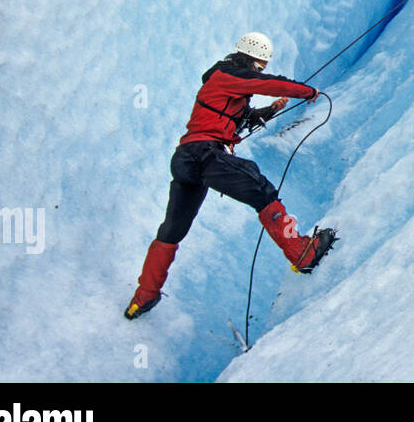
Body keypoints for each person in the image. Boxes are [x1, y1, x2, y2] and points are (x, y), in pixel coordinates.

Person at [125, 32, 336, 319]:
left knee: (171, 230)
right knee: (260, 189)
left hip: (187, 160)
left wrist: (270, 110)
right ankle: (303, 254)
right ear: (249, 60)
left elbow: (240, 119)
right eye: (258, 65)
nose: (259, 71)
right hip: (205, 155)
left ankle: (144, 296)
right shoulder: (227, 75)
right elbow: (267, 84)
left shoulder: (225, 85)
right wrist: (306, 91)